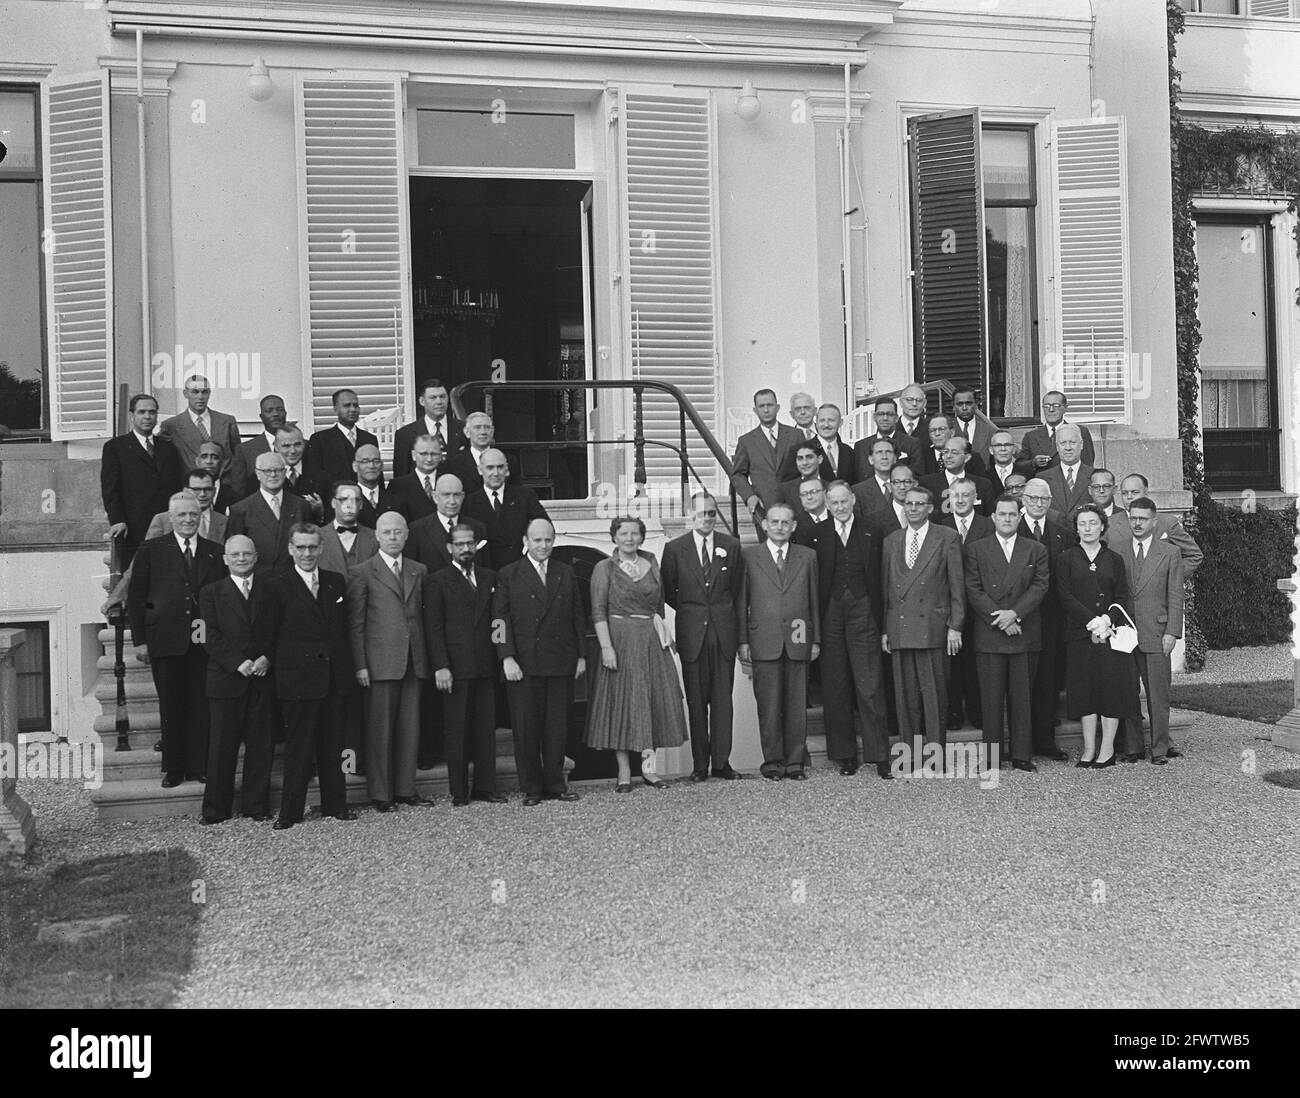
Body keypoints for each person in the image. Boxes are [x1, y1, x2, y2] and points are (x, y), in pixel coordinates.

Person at [128, 491, 227, 787]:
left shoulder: (213, 550)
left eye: (193, 514)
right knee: (171, 705)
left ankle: (199, 766)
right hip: (166, 639)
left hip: (203, 640)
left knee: (201, 704)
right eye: (182, 515)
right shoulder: (151, 549)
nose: (188, 520)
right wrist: (140, 640)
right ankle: (174, 768)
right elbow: (137, 596)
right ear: (170, 518)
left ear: (201, 517)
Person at [585, 516, 688, 791]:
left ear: (641, 537)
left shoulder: (652, 561)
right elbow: (598, 611)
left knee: (651, 701)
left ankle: (649, 770)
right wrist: (607, 647)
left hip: (650, 638)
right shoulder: (603, 568)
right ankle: (623, 773)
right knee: (622, 703)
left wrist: (663, 633)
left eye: (635, 533)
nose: (629, 538)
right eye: (623, 533)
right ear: (614, 537)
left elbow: (659, 604)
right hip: (619, 638)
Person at [493, 518, 587, 806]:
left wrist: (581, 655)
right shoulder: (509, 574)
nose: (543, 545)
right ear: (526, 541)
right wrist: (506, 656)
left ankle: (556, 784)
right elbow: (499, 620)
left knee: (558, 727)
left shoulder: (565, 572)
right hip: (523, 663)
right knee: (526, 728)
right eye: (537, 540)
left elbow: (576, 615)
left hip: (560, 660)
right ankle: (532, 787)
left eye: (548, 540)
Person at [273, 523, 358, 827]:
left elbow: (343, 629)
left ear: (321, 548)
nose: (307, 553)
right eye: (301, 547)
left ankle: (336, 805)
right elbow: (271, 633)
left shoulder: (335, 582)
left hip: (333, 678)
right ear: (290, 549)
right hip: (298, 679)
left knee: (334, 745)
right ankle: (291, 812)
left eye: (312, 547)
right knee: (299, 747)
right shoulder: (277, 583)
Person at [346, 512, 432, 811]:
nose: (393, 537)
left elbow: (423, 617)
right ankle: (381, 794)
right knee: (380, 730)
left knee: (410, 728)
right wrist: (360, 665)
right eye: (387, 532)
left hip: (413, 660)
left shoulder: (418, 570)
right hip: (379, 662)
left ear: (407, 534)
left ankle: (406, 789)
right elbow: (356, 624)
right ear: (377, 536)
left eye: (398, 531)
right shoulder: (362, 572)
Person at [963, 495, 1050, 772]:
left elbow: (1040, 586)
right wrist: (1001, 619)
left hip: (1023, 631)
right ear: (994, 517)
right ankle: (991, 757)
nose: (1008, 519)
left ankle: (1022, 754)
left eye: (1013, 514)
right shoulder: (976, 549)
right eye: (1002, 514)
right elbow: (973, 589)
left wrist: (1015, 614)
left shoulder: (1036, 549)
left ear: (1019, 517)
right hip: (991, 634)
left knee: (1022, 697)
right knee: (990, 699)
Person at [661, 493, 743, 782]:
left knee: (723, 701)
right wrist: (693, 610)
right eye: (701, 513)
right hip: (692, 633)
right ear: (689, 515)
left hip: (723, 633)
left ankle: (722, 763)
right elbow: (669, 591)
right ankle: (700, 765)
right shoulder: (674, 549)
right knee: (696, 702)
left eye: (711, 513)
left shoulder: (731, 545)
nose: (706, 518)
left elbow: (736, 587)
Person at [881, 486, 965, 763]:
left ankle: (935, 755)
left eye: (919, 504)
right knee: (905, 698)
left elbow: (957, 586)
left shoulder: (948, 537)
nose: (913, 508)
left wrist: (956, 625)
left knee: (934, 695)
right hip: (900, 627)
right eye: (908, 503)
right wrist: (885, 627)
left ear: (931, 508)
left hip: (933, 627)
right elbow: (886, 589)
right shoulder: (892, 540)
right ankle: (909, 755)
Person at [737, 503, 820, 781]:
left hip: (798, 639)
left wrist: (815, 639)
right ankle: (772, 762)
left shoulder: (807, 557)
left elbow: (814, 601)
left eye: (786, 522)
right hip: (764, 640)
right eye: (774, 522)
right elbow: (742, 601)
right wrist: (743, 640)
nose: (780, 527)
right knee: (769, 707)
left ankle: (795, 763)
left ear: (794, 526)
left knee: (796, 705)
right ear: (764, 525)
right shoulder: (749, 557)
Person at [1055, 504, 1142, 769]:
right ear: (1076, 528)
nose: (1088, 528)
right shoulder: (1067, 558)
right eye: (1083, 523)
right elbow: (1065, 595)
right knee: (1084, 691)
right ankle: (1088, 749)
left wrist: (1106, 620)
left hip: (1110, 634)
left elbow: (1121, 596)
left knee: (1110, 691)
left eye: (1093, 523)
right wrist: (1090, 620)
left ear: (1102, 526)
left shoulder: (1113, 559)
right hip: (1080, 634)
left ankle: (1107, 750)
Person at [199, 535, 277, 824]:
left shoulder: (270, 589)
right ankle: (215, 809)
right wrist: (237, 662)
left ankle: (256, 805)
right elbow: (206, 633)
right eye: (235, 555)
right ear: (225, 559)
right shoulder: (211, 592)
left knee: (260, 745)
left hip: (261, 677)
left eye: (247, 554)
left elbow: (277, 628)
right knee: (222, 747)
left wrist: (267, 657)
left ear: (256, 557)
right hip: (226, 679)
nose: (241, 559)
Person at [423, 524, 503, 807]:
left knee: (486, 730)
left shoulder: (490, 577)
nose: (466, 549)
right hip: (454, 668)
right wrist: (441, 666)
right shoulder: (437, 580)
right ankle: (459, 791)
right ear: (450, 548)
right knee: (457, 731)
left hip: (485, 665)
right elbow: (433, 628)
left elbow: (498, 622)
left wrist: (501, 654)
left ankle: (486, 787)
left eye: (470, 543)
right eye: (459, 544)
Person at [816, 482, 890, 778]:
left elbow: (882, 576)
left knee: (870, 685)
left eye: (844, 501)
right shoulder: (816, 535)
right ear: (827, 503)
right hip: (831, 613)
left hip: (864, 611)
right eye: (833, 502)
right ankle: (844, 754)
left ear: (853, 500)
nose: (839, 506)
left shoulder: (872, 530)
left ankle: (880, 754)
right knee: (836, 686)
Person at [1118, 497, 1185, 766]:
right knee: (1127, 693)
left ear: (1154, 522)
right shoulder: (1117, 549)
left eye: (1142, 518)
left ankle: (1159, 748)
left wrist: (1172, 632)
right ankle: (1133, 747)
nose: (1137, 523)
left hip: (1157, 633)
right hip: (1125, 634)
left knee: (1158, 695)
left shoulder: (1169, 553)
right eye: (1133, 518)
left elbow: (1176, 596)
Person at [1019, 478, 1072, 761]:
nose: (1038, 504)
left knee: (1048, 682)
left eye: (1043, 500)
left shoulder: (1062, 533)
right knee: (1022, 683)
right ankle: (1022, 744)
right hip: (1022, 619)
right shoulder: (1011, 529)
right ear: (1023, 500)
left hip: (1052, 621)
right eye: (1032, 499)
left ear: (1050, 502)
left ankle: (1046, 742)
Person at [101, 393, 183, 569]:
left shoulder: (168, 448)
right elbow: (110, 489)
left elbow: (177, 486)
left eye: (152, 412)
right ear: (132, 416)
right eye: (142, 412)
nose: (147, 416)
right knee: (135, 580)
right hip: (133, 528)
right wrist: (117, 520)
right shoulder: (115, 447)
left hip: (166, 527)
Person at [937, 479, 993, 730]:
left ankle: (977, 712)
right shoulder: (940, 525)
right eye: (955, 495)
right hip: (949, 605)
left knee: (977, 663)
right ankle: (953, 713)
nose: (959, 500)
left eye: (965, 495)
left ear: (975, 498)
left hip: (980, 606)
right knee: (952, 663)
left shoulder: (987, 525)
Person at [461, 448, 550, 571]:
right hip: (486, 571)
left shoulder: (525, 496)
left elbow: (544, 526)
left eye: (500, 467)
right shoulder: (469, 503)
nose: (496, 473)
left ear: (507, 470)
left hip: (520, 569)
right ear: (480, 470)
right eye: (490, 468)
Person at [730, 388, 802, 537]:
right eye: (761, 406)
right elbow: (738, 474)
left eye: (769, 405)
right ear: (755, 410)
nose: (766, 410)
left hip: (795, 506)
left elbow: (807, 467)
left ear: (778, 407)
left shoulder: (796, 435)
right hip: (764, 507)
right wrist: (750, 496)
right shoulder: (747, 441)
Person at [226, 453, 311, 575]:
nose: (273, 474)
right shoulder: (241, 509)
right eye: (267, 471)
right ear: (258, 473)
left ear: (285, 472)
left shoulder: (301, 506)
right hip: (258, 582)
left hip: (294, 580)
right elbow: (234, 551)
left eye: (278, 470)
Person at [1108, 473, 1204, 576]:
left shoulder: (1167, 522)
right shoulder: (1109, 524)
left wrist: (1170, 577)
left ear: (1146, 493)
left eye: (1135, 492)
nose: (1129, 497)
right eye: (1124, 493)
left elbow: (1194, 555)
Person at [158, 374, 242, 475]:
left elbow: (238, 457)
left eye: (204, 392)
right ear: (185, 393)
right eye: (195, 392)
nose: (200, 397)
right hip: (190, 485)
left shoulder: (227, 421)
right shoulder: (171, 425)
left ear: (209, 393)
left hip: (224, 485)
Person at [407, 473, 489, 574]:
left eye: (457, 495)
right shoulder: (416, 530)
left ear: (463, 496)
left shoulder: (478, 528)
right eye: (446, 495)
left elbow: (485, 570)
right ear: (435, 497)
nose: (452, 501)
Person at [305, 388, 378, 489]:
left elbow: (377, 475)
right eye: (347, 405)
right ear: (335, 409)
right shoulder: (320, 439)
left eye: (355, 405)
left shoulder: (370, 439)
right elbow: (315, 476)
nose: (353, 409)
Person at [393, 379, 464, 479]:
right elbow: (401, 476)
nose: (439, 401)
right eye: (433, 398)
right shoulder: (405, 434)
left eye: (442, 397)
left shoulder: (463, 429)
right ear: (422, 401)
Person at [1016, 390, 1096, 474]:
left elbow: (1088, 464)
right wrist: (1033, 463)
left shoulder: (1079, 431)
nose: (1051, 409)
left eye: (1056, 405)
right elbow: (1019, 466)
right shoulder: (1031, 436)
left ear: (1065, 408)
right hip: (1042, 484)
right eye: (1047, 406)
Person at [229, 394, 289, 498]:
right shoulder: (245, 451)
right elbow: (238, 492)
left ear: (285, 413)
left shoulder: (303, 446)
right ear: (261, 417)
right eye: (269, 411)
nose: (275, 414)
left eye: (279, 409)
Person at [919, 435, 995, 515]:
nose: (948, 456)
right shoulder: (927, 483)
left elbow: (988, 517)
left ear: (967, 458)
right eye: (946, 452)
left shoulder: (982, 485)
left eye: (954, 452)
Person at [441, 411, 512, 495]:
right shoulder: (454, 464)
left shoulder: (509, 460)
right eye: (477, 427)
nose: (483, 432)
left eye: (487, 427)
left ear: (492, 431)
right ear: (467, 432)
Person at [380, 434, 444, 523]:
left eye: (434, 454)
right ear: (413, 455)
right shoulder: (397, 486)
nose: (429, 459)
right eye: (423, 454)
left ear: (440, 456)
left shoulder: (448, 482)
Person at [318, 482, 379, 575]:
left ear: (361, 504)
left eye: (355, 500)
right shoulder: (317, 537)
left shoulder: (376, 538)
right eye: (343, 499)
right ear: (333, 503)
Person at [274, 426, 327, 522]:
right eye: (286, 446)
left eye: (297, 445)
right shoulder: (264, 479)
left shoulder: (322, 478)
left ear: (304, 444)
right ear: (276, 447)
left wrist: (321, 513)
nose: (293, 451)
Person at [1039, 423, 1092, 516]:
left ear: (1081, 444)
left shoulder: (1095, 476)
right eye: (1063, 443)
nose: (1068, 448)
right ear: (1057, 447)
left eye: (1072, 442)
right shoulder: (1042, 479)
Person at [854, 396, 916, 469]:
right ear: (874, 417)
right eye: (881, 414)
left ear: (896, 418)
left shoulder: (912, 444)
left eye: (890, 414)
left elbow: (918, 475)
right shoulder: (861, 447)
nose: (885, 418)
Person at [851, 437, 898, 524]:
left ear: (895, 459)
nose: (884, 457)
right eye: (879, 452)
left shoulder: (906, 486)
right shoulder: (858, 491)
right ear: (871, 459)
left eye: (888, 452)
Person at [810, 403, 855, 485]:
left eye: (831, 420)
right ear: (815, 423)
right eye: (822, 420)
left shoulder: (849, 452)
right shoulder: (805, 450)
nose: (826, 425)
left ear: (840, 422)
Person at [776, 441, 825, 510]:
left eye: (809, 457)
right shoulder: (785, 490)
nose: (804, 463)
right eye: (800, 458)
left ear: (820, 459)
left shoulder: (830, 487)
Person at [950, 388, 994, 461]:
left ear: (976, 404)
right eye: (960, 404)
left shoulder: (989, 430)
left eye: (968, 403)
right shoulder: (947, 430)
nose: (964, 408)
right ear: (953, 406)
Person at [194, 442, 235, 514]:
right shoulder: (184, 497)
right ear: (197, 462)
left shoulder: (235, 499)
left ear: (222, 463)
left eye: (215, 457)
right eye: (204, 456)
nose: (209, 461)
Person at [352, 444, 387, 527]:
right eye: (365, 461)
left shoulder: (395, 501)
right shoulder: (347, 500)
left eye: (376, 461)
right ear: (355, 466)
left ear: (382, 466)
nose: (371, 466)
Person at [986, 432, 1021, 496]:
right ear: (991, 450)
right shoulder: (983, 476)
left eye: (1007, 445)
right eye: (998, 445)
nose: (1003, 449)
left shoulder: (1027, 473)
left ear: (1014, 449)